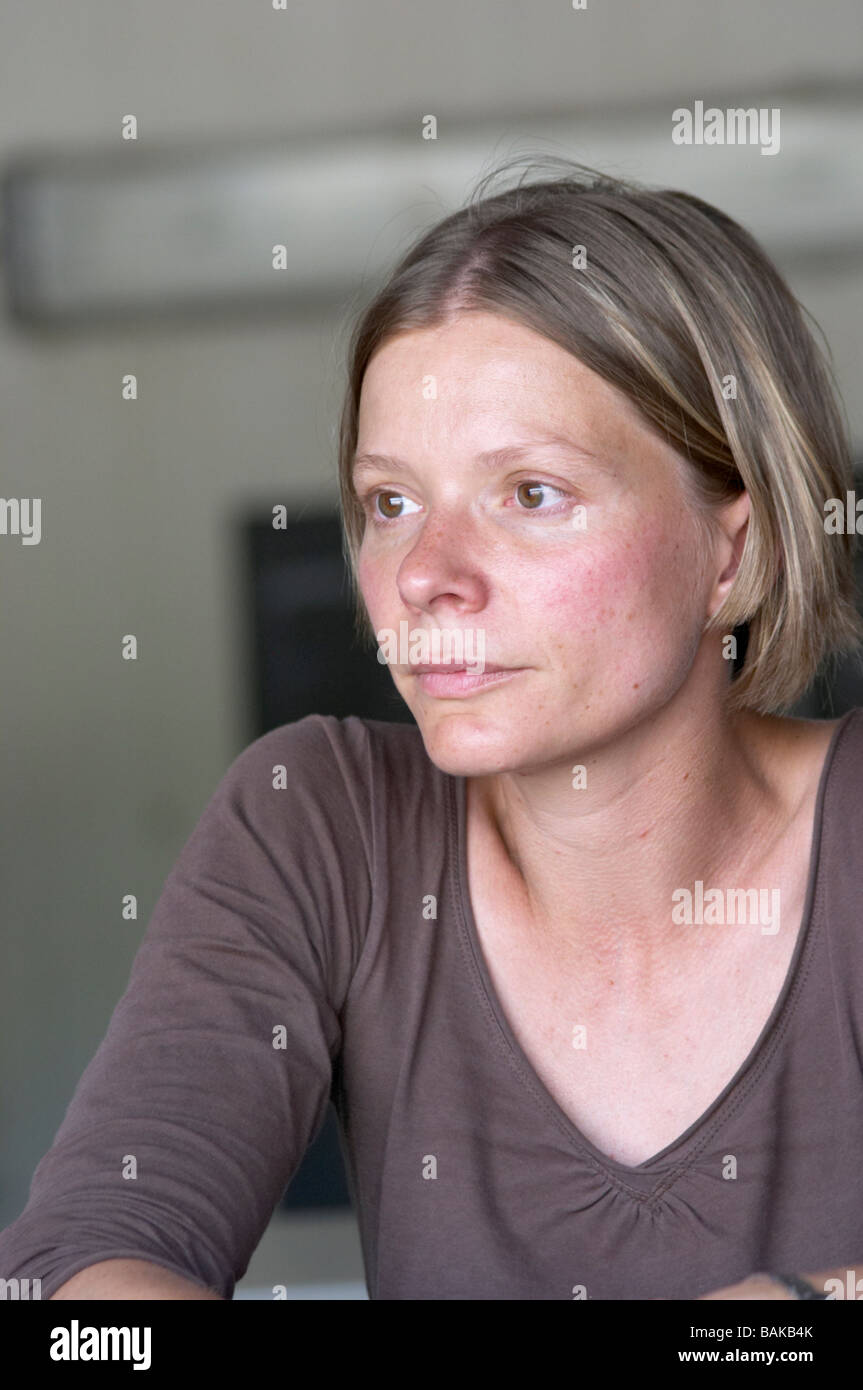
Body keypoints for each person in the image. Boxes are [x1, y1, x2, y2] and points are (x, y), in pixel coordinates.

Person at [2, 157, 863, 1301]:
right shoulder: (319, 822)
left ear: (732, 552)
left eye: (530, 495)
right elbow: (79, 1275)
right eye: (389, 504)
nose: (424, 578)